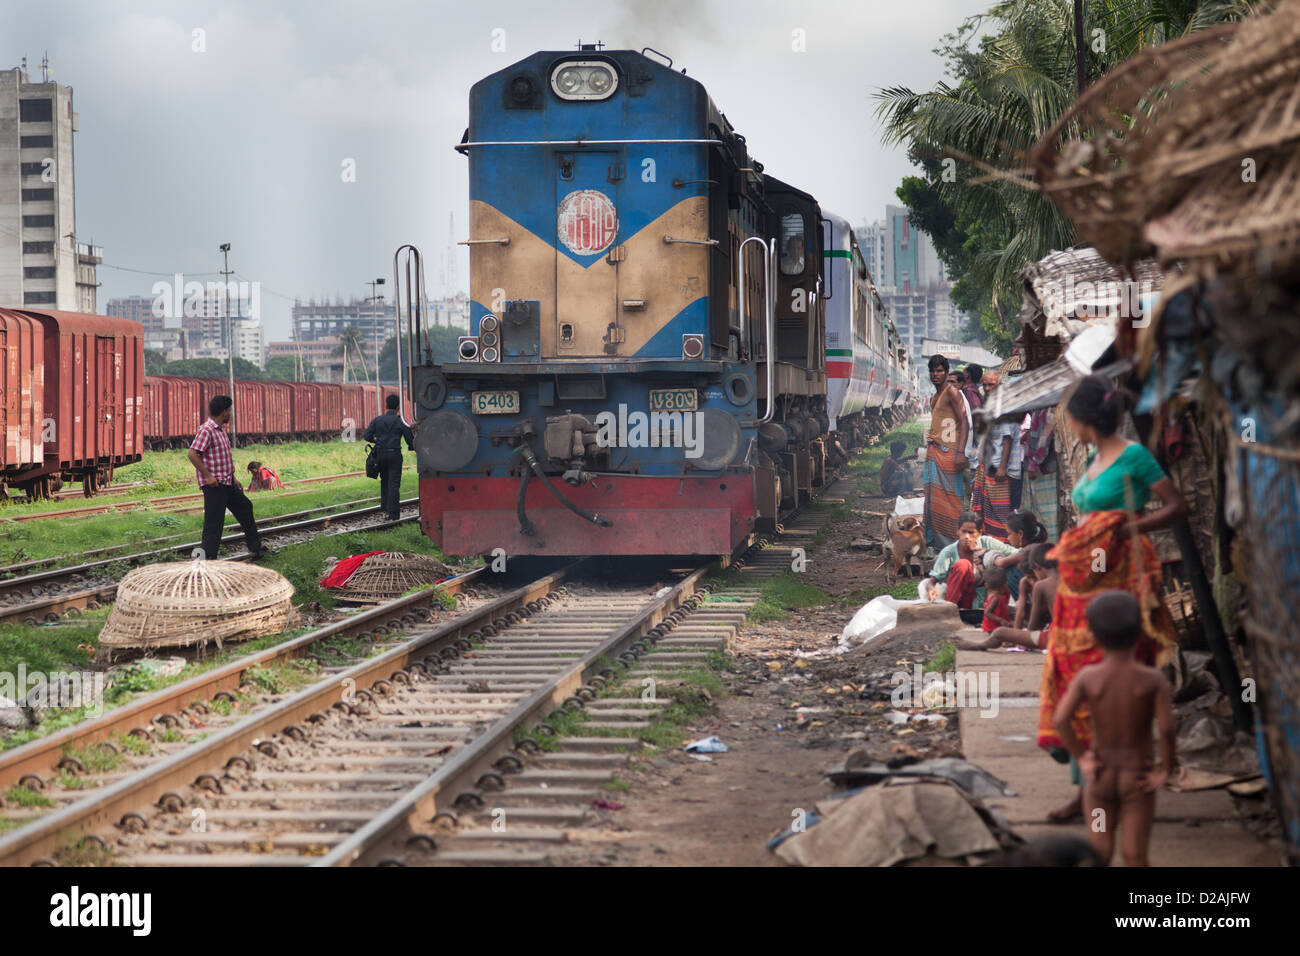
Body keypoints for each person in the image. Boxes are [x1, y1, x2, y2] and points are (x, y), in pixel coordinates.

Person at [1037, 374, 1186, 822]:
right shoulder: (1093, 457)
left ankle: (1117, 786)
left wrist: (1128, 526)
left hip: (1119, 574)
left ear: (1085, 419)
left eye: (1071, 416)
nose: (1070, 423)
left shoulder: (1135, 457)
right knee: (1071, 670)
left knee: (1108, 673)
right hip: (1082, 581)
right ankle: (1088, 787)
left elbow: (1178, 505)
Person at [1053, 590, 1176, 867]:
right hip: (1137, 780)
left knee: (1098, 853)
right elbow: (1167, 729)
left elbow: (1061, 720)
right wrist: (1165, 768)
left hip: (1100, 779)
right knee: (1135, 856)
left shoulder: (1089, 677)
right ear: (1140, 634)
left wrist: (1082, 756)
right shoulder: (1153, 679)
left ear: (1094, 637)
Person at [188, 395, 269, 560]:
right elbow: (192, 454)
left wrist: (233, 477)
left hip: (227, 482)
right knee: (214, 524)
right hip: (215, 486)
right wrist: (208, 476)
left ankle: (256, 548)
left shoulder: (220, 430)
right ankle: (208, 560)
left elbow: (222, 458)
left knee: (245, 507)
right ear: (223, 412)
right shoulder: (207, 429)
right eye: (229, 411)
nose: (230, 414)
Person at [960, 542, 1059, 651]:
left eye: (1033, 575)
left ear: (1037, 567)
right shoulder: (1070, 578)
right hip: (1074, 634)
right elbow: (1022, 612)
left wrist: (1021, 639)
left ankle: (981, 645)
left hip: (1060, 638)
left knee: (1000, 632)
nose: (1032, 581)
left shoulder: (1041, 585)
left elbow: (1032, 625)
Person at [922, 510, 1017, 609]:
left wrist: (989, 555)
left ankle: (999, 611)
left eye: (971, 533)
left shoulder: (988, 543)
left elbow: (1018, 553)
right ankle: (949, 610)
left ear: (979, 533)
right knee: (963, 565)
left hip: (988, 599)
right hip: (961, 601)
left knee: (1007, 567)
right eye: (963, 531)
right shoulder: (949, 552)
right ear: (958, 531)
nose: (967, 536)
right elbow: (932, 581)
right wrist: (931, 588)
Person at [923, 354, 969, 551]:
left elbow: (964, 421)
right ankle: (938, 545)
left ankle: (954, 544)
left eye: (940, 370)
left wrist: (960, 452)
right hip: (935, 452)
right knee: (934, 501)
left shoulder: (952, 392)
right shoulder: (935, 396)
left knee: (951, 500)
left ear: (947, 372)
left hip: (949, 453)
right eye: (933, 371)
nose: (935, 374)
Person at [970, 371, 1022, 541]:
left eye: (990, 384)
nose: (987, 388)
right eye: (984, 385)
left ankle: (1004, 544)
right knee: (987, 510)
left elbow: (1007, 438)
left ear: (999, 385)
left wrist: (1002, 467)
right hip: (988, 465)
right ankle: (991, 543)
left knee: (1001, 512)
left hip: (1000, 468)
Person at [364, 394, 415, 520]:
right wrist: (412, 447)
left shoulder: (378, 420)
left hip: (380, 455)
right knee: (394, 484)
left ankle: (386, 511)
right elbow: (410, 440)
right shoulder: (400, 421)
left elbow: (367, 436)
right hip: (394, 455)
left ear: (386, 405)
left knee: (385, 482)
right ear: (398, 407)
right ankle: (393, 514)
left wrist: (377, 440)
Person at [980, 566, 1013, 632]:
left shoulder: (998, 597)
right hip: (992, 629)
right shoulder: (995, 598)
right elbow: (987, 612)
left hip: (996, 627)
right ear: (1005, 584)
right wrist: (1000, 620)